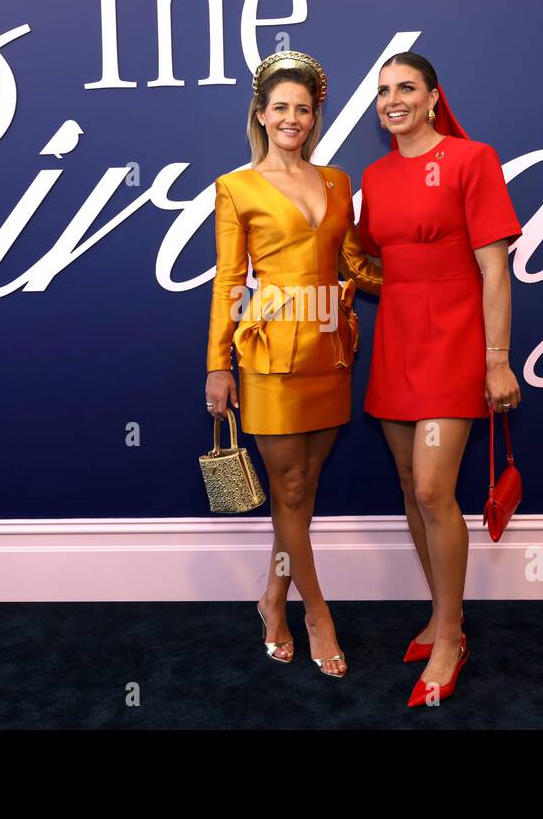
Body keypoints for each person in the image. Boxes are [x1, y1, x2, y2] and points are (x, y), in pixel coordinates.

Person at [205, 51, 383, 677]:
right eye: (280, 107)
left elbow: (356, 263)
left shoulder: (336, 182)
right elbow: (230, 280)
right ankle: (317, 614)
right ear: (260, 114)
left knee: (301, 496)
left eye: (302, 109)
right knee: (289, 489)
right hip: (269, 357)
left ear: (314, 118)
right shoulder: (237, 186)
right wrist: (217, 364)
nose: (291, 118)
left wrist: (425, 275)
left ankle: (272, 598)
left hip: (330, 351)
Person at [358, 52, 523, 706]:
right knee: (408, 483)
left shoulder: (472, 158)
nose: (392, 99)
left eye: (406, 88)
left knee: (432, 487)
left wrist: (497, 357)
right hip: (396, 334)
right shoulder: (374, 173)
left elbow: (495, 271)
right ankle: (437, 612)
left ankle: (451, 635)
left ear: (433, 98)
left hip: (456, 339)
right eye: (383, 91)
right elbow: (371, 252)